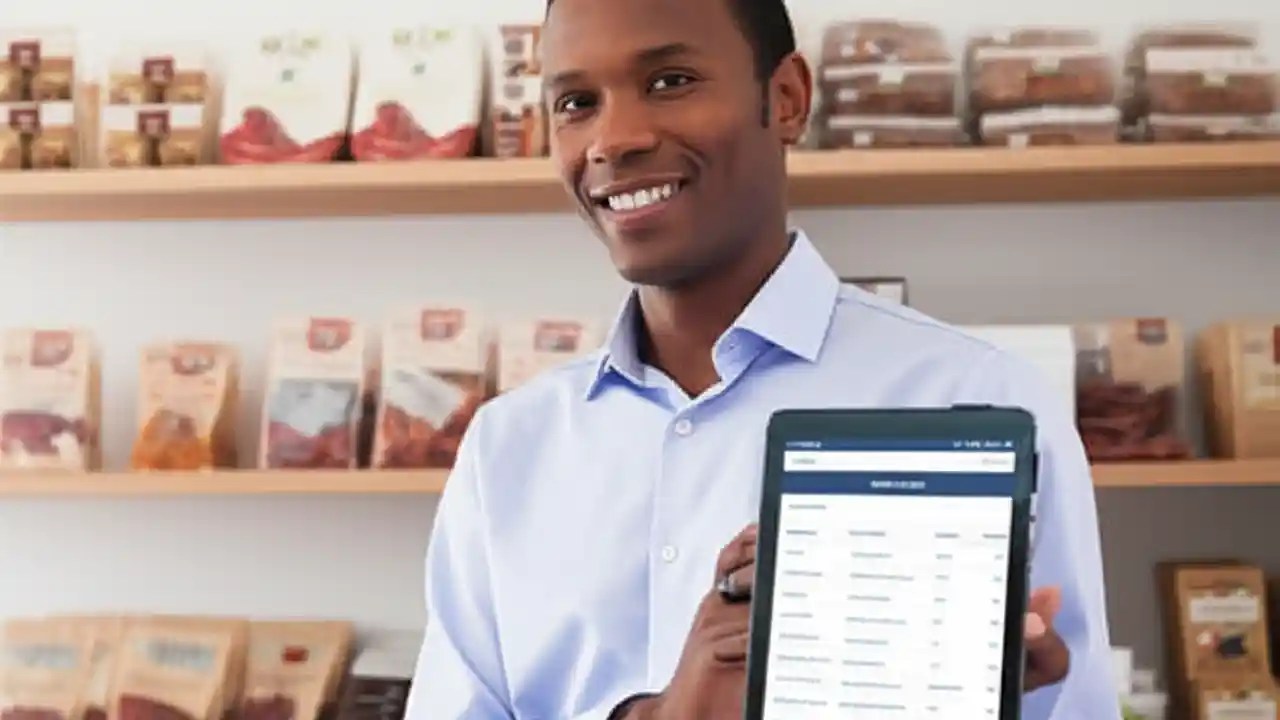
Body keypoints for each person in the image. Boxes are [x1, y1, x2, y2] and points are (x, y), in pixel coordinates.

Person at [405, 0, 1122, 716]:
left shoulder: (978, 396)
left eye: (670, 82)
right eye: (576, 103)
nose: (614, 139)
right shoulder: (509, 446)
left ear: (785, 99)